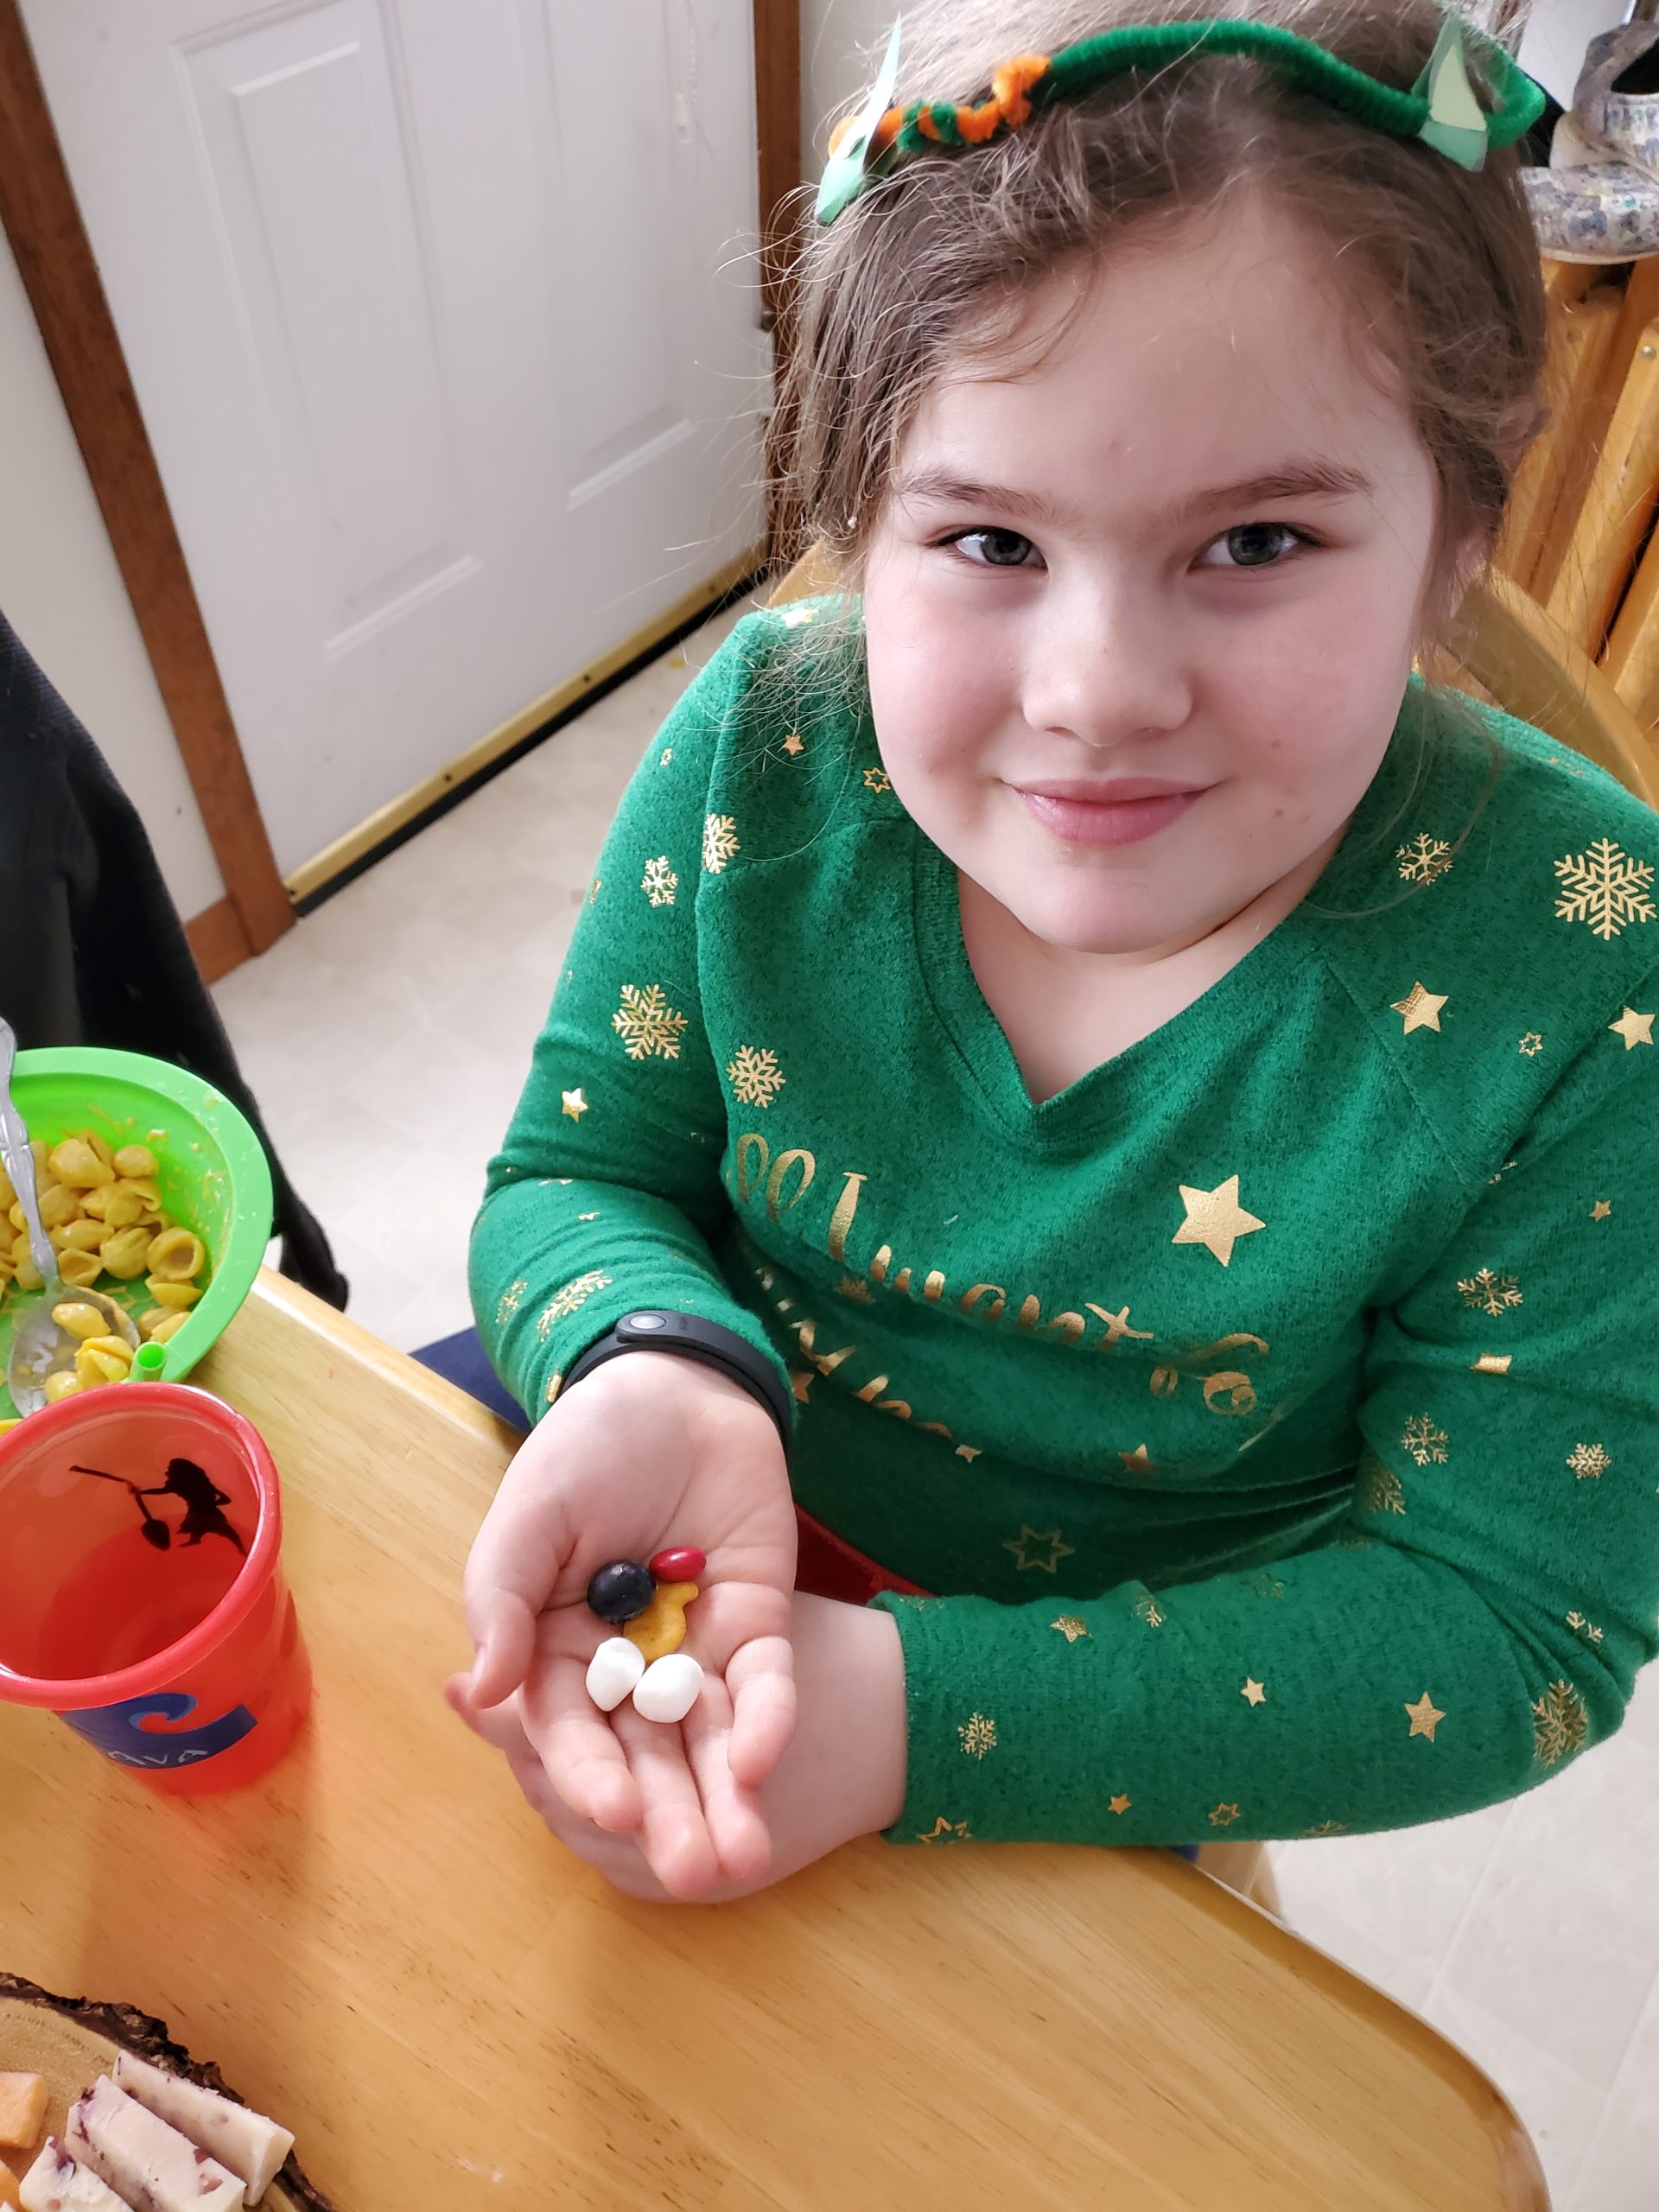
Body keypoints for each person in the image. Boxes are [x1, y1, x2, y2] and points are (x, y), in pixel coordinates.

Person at [449, 0, 1659, 1904]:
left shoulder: (1590, 964)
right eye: (992, 543)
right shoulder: (764, 750)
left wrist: (909, 1715)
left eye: (1257, 541)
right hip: (660, 1500)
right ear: (863, 519)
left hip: (1120, 1699)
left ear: (1457, 535)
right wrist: (646, 1358)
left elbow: (1511, 1622)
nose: (1098, 694)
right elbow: (576, 1174)